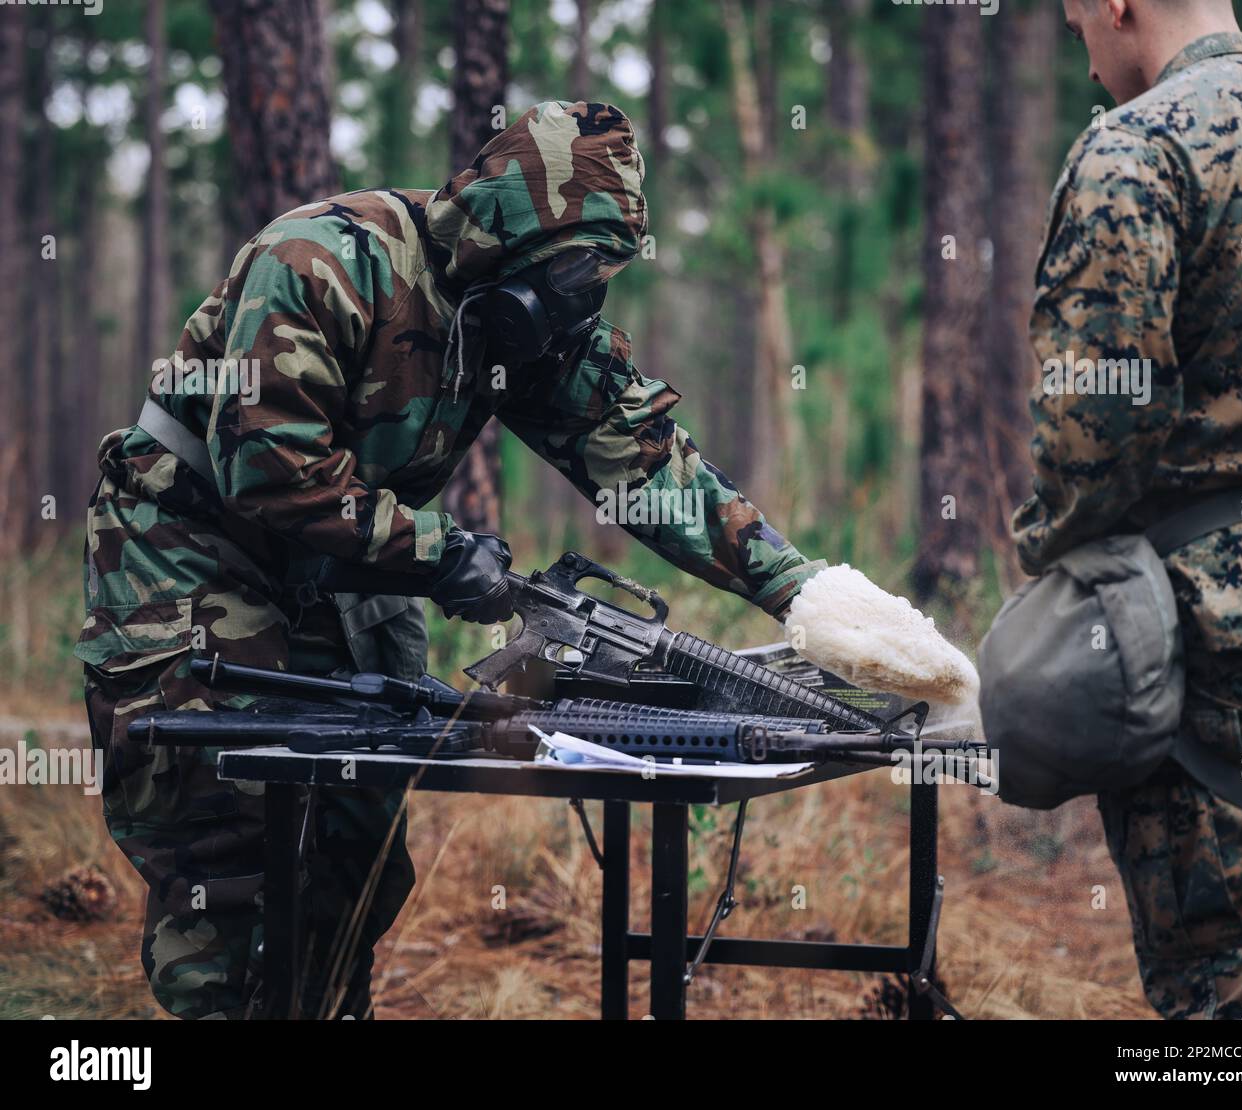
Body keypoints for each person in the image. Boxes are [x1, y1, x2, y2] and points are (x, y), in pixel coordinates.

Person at [76, 100, 824, 1019]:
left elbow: (648, 466)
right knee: (229, 854)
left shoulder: (529, 319)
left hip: (348, 570)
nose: (581, 302)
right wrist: (440, 551)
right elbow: (267, 470)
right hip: (190, 549)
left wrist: (810, 596)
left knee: (356, 851)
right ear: (504, 236)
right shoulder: (321, 261)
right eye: (575, 274)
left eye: (600, 280)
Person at [1013, 0, 1242, 1017]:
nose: (1080, 49)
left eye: (1074, 16)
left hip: (1209, 663)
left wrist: (1046, 567)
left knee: (1224, 997)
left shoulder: (1136, 150)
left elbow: (1095, 433)